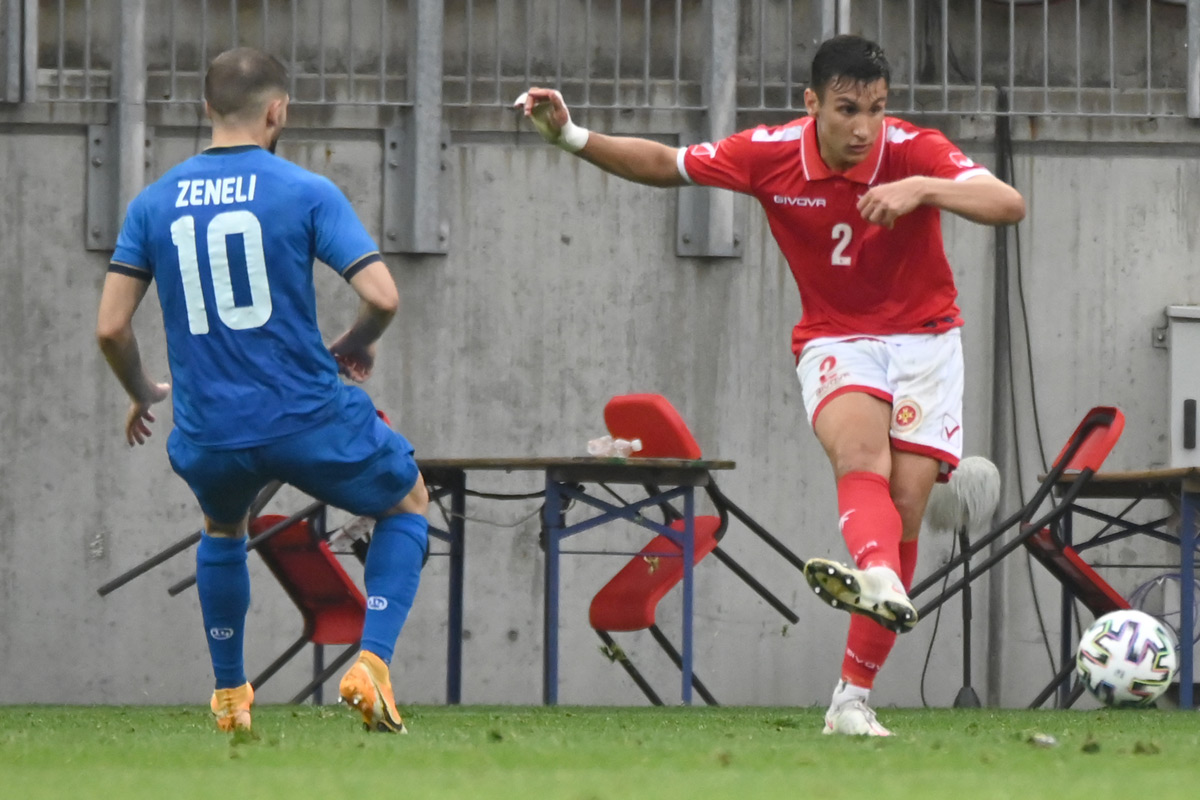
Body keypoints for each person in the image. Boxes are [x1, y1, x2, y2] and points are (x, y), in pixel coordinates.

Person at [517, 34, 1024, 735]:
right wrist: (569, 134)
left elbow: (1007, 203)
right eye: (847, 109)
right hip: (836, 338)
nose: (863, 127)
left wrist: (923, 187)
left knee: (907, 508)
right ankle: (874, 574)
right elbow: (668, 164)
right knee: (859, 457)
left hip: (928, 341)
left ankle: (851, 700)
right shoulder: (770, 152)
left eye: (876, 109)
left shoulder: (912, 150)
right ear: (811, 103)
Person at [96, 47, 428, 734]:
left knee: (221, 527)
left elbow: (110, 329)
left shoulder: (152, 204)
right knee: (408, 502)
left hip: (210, 432)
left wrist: (144, 392)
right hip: (306, 416)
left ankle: (229, 696)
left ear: (204, 107)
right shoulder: (306, 191)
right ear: (278, 110)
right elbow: (383, 296)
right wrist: (353, 343)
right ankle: (371, 662)